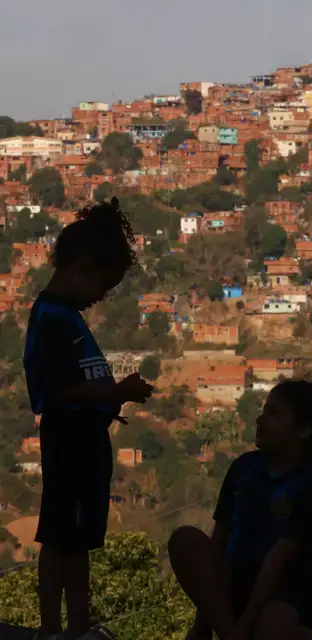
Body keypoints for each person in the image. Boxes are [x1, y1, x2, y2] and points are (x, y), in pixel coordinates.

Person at [24, 199, 155, 640]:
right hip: (71, 440)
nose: (102, 295)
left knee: (76, 541)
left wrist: (115, 397)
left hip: (84, 440)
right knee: (62, 538)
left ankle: (75, 626)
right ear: (81, 269)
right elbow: (64, 388)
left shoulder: (66, 318)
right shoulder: (55, 319)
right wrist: (119, 392)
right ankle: (55, 627)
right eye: (103, 284)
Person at [168, 380, 312, 640]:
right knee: (185, 541)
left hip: (289, 592)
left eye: (273, 414)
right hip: (237, 578)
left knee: (272, 625)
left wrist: (245, 622)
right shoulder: (244, 468)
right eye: (265, 411)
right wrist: (203, 621)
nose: (260, 420)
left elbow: (278, 560)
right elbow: (220, 537)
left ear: (303, 430)